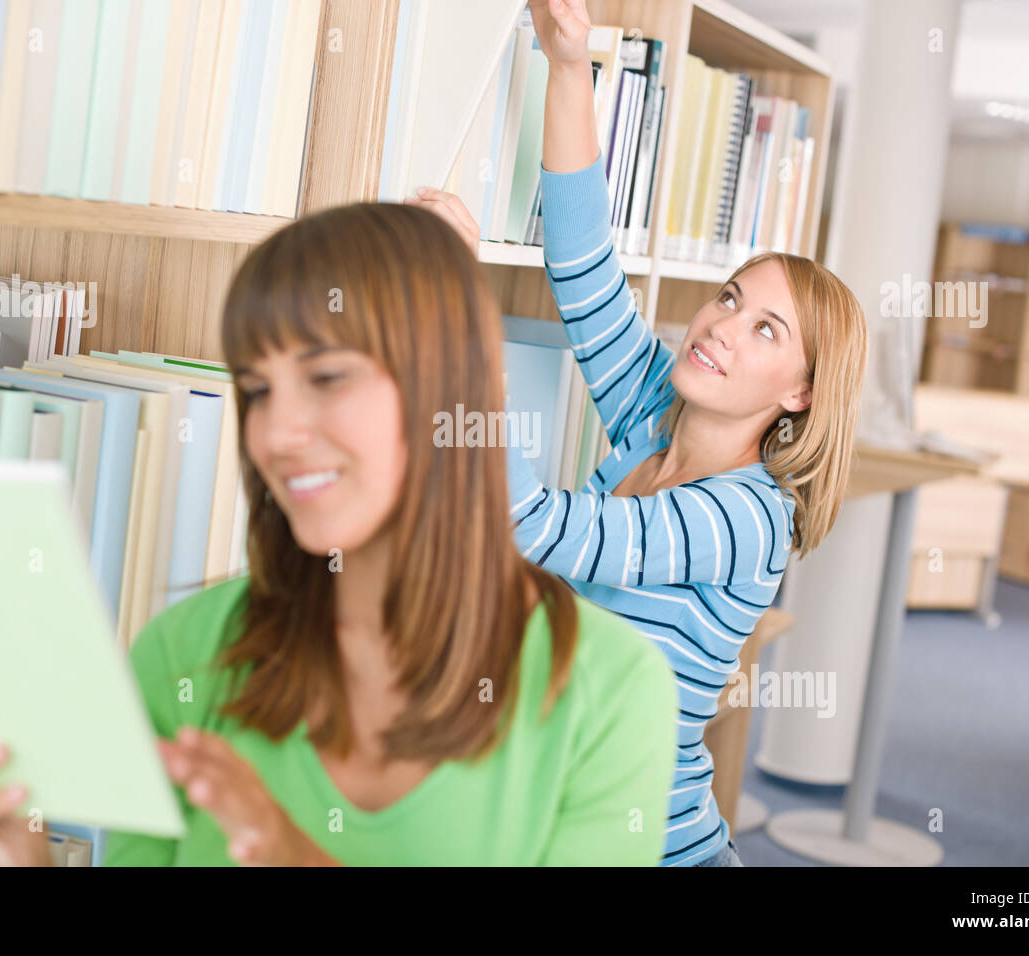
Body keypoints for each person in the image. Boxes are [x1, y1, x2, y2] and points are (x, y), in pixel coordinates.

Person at [0, 198, 679, 866]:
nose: (277, 432)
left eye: (327, 377)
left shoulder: (610, 694)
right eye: (257, 388)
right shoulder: (186, 653)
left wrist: (292, 852)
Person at [407, 0, 868, 867]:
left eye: (767, 330)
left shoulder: (749, 516)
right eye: (731, 298)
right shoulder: (654, 420)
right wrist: (570, 64)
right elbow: (582, 265)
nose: (723, 326)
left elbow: (534, 527)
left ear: (802, 393)